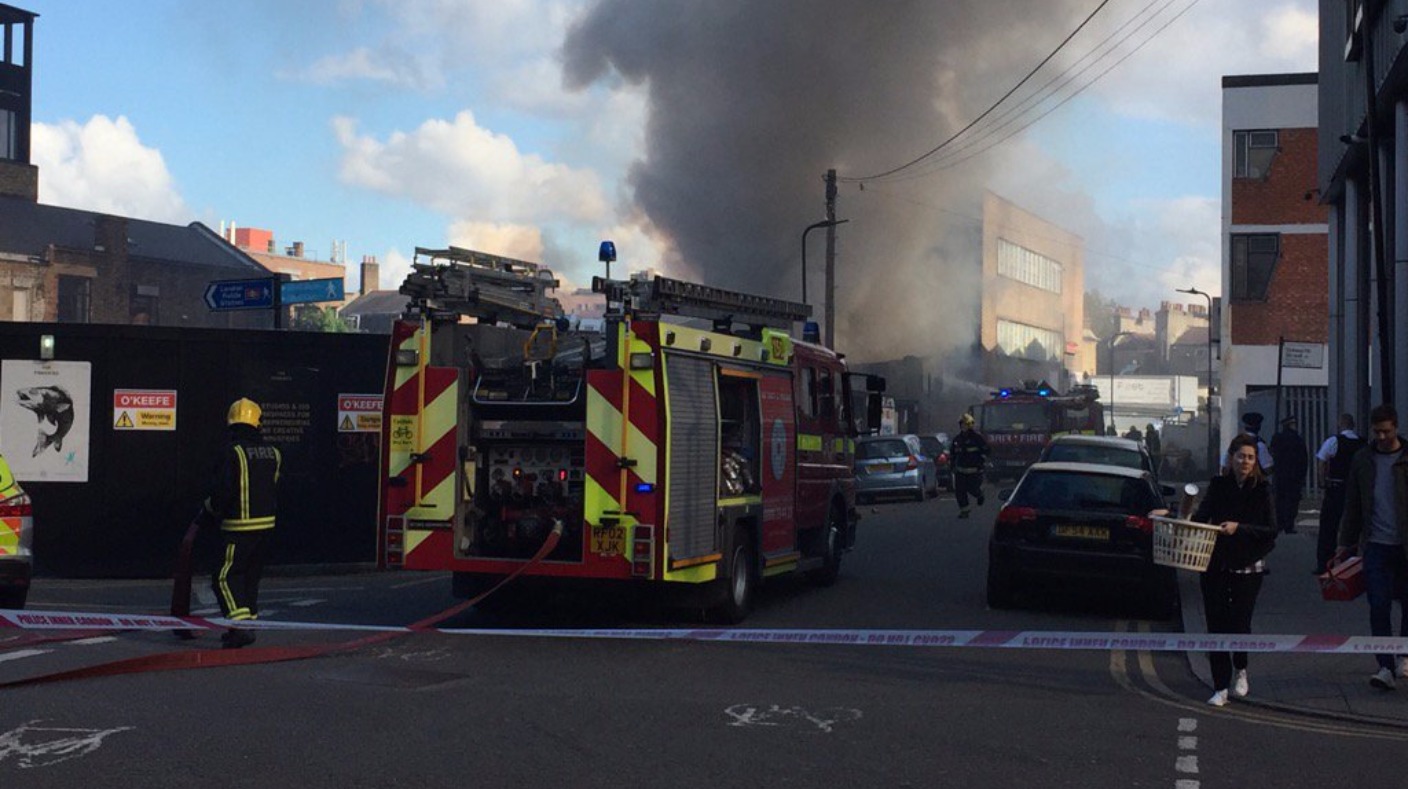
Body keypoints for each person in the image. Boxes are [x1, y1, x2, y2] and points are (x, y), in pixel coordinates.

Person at [1177, 433, 1278, 707]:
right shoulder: (1219, 484)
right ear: (1231, 458)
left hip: (1249, 563)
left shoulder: (1262, 489)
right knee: (1216, 623)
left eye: (1250, 457)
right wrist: (1181, 519)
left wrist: (1239, 527)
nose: (1245, 461)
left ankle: (1241, 667)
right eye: (1240, 456)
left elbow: (1271, 529)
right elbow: (1201, 516)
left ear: (1255, 461)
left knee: (1240, 623)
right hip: (1216, 562)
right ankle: (1220, 687)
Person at [1333, 403, 1408, 690]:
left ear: (1396, 428)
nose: (1380, 437)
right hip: (1375, 545)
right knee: (1378, 605)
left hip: (1404, 546)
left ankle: (1403, 655)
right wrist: (1345, 543)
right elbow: (1352, 503)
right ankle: (1385, 666)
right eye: (1376, 432)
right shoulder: (1363, 460)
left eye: (1386, 432)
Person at [202, 397, 282, 649]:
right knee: (250, 577)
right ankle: (249, 623)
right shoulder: (274, 454)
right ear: (258, 424)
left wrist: (209, 510)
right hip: (266, 528)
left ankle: (240, 628)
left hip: (238, 527)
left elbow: (223, 491)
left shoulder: (232, 453)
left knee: (224, 577)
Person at [1314, 413, 1365, 573]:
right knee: (1352, 527)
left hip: (1336, 487)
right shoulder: (1364, 443)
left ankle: (1324, 563)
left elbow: (1322, 461)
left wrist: (1322, 481)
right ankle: (1349, 563)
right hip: (1356, 490)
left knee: (1329, 526)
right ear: (1353, 425)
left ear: (1340, 424)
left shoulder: (1333, 441)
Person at [1269, 415, 1308, 534]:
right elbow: (1304, 459)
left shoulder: (1277, 438)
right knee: (1292, 501)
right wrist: (1302, 475)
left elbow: (1272, 453)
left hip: (1280, 474)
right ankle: (1289, 525)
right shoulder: (1298, 439)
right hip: (1294, 476)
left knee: (1279, 499)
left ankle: (1279, 523)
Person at [951, 413, 988, 519]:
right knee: (960, 492)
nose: (963, 427)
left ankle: (979, 495)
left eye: (965, 424)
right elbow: (953, 454)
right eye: (961, 425)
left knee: (973, 489)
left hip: (974, 470)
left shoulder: (977, 438)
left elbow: (986, 450)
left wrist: (981, 462)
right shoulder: (957, 440)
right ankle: (964, 511)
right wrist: (952, 466)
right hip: (960, 471)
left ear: (970, 425)